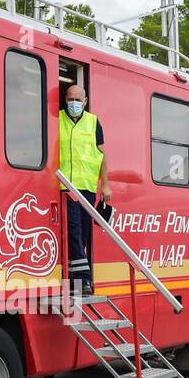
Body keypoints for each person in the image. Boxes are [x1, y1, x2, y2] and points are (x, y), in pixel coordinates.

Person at [58, 84, 111, 294]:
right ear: (65, 99)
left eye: (78, 100)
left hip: (87, 189)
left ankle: (77, 278)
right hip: (65, 187)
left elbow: (102, 155)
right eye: (70, 98)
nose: (74, 103)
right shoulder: (56, 119)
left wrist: (105, 184)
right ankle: (83, 280)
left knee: (84, 233)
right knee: (74, 230)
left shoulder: (93, 122)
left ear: (85, 101)